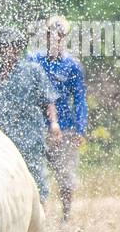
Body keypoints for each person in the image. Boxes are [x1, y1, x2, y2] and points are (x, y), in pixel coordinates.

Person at [0, 28, 59, 203]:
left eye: (13, 46)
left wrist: (54, 124)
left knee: (35, 181)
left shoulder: (33, 71)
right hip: (0, 140)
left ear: (19, 48)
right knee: (2, 181)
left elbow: (48, 101)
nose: (9, 50)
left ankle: (39, 216)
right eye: (4, 46)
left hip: (30, 138)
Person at [29, 16, 87, 221]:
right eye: (52, 35)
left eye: (60, 36)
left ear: (65, 38)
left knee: (65, 175)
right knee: (35, 173)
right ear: (45, 36)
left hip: (65, 129)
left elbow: (79, 98)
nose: (55, 39)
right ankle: (37, 215)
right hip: (36, 126)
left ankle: (66, 215)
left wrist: (80, 128)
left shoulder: (72, 66)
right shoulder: (33, 61)